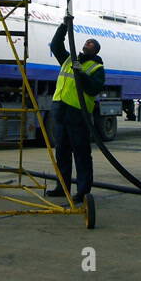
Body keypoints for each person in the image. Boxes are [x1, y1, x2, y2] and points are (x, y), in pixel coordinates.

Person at [46, 21, 105, 204]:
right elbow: (56, 45)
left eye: (91, 43)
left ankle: (82, 191)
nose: (87, 44)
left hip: (78, 113)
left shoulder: (96, 68)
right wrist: (64, 26)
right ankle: (61, 187)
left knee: (81, 153)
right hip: (60, 110)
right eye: (86, 42)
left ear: (96, 50)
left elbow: (94, 88)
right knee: (61, 151)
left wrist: (82, 74)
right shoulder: (69, 59)